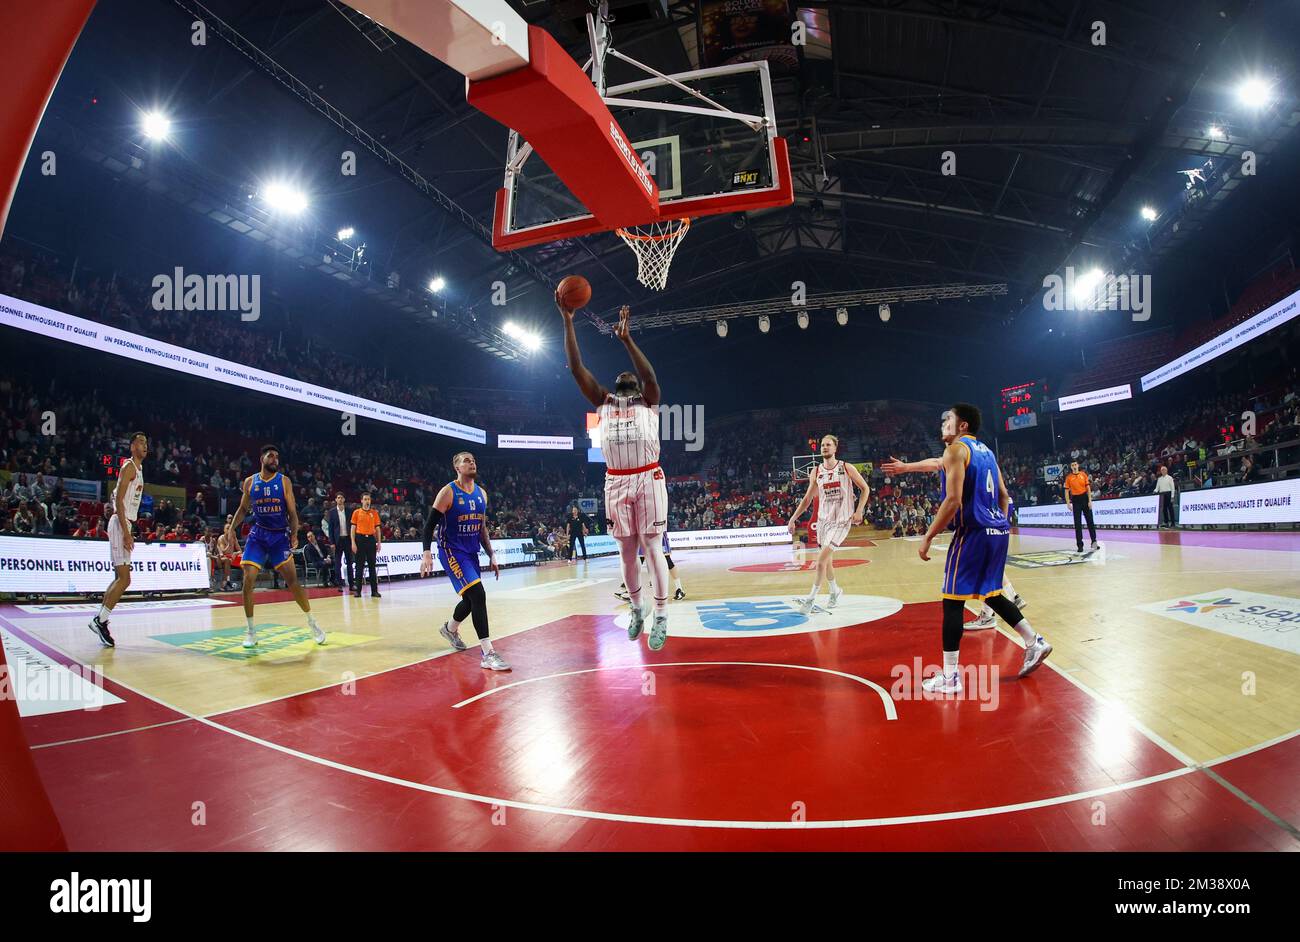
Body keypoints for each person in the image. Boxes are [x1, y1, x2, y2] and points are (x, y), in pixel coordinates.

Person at [558, 296, 672, 651]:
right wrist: (567, 319)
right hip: (616, 480)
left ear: (635, 386)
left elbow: (650, 375)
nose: (625, 376)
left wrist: (627, 340)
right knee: (625, 550)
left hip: (648, 476)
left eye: (630, 377)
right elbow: (576, 368)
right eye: (619, 376)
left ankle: (662, 614)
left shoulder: (648, 401)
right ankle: (637, 608)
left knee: (652, 546)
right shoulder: (603, 402)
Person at [917, 404, 1052, 693]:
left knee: (952, 600)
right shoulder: (988, 452)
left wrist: (928, 536)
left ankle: (951, 677)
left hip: (974, 533)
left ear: (963, 425)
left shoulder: (956, 450)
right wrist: (998, 526)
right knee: (990, 593)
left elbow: (952, 501)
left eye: (948, 420)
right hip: (997, 531)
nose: (942, 424)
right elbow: (1004, 496)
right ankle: (1034, 641)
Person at [880, 453, 1026, 630]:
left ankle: (1008, 606)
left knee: (965, 580)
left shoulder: (962, 454)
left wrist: (907, 467)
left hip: (982, 516)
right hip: (995, 512)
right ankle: (1005, 604)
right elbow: (1004, 495)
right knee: (987, 566)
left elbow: (937, 464)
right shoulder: (986, 455)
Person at [225, 444, 326, 649]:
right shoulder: (250, 482)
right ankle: (251, 630)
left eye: (277, 457)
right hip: (258, 535)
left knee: (292, 582)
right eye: (271, 456)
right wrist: (231, 529)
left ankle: (312, 622)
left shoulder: (284, 482)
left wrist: (294, 534)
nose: (275, 460)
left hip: (279, 536)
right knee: (248, 580)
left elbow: (292, 512)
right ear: (262, 458)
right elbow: (243, 509)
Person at [420, 452, 507, 671]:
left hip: (471, 552)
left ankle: (450, 629)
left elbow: (482, 527)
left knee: (470, 600)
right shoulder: (448, 492)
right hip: (452, 551)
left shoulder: (482, 494)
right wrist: (426, 552)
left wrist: (492, 555)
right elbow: (429, 525)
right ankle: (488, 653)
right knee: (478, 594)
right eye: (466, 460)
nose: (472, 462)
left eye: (473, 459)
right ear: (457, 467)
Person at [786, 434, 870, 614]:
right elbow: (807, 499)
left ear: (835, 448)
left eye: (828, 445)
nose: (825, 447)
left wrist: (859, 510)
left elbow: (865, 488)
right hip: (823, 521)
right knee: (828, 560)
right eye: (823, 445)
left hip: (841, 521)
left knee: (821, 560)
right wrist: (793, 518)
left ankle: (810, 598)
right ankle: (834, 591)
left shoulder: (846, 468)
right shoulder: (816, 472)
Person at [87, 431, 148, 647]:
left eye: (146, 443)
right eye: (140, 442)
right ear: (132, 446)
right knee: (125, 579)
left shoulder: (139, 470)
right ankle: (100, 620)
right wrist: (125, 530)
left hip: (125, 523)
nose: (144, 446)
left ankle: (100, 620)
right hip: (120, 523)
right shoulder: (128, 466)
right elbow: (119, 501)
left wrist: (130, 526)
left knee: (119, 578)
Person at [1063, 460, 1100, 553]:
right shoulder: (1068, 478)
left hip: (1084, 498)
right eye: (1072, 465)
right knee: (1078, 524)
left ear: (1078, 465)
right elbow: (1066, 491)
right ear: (1071, 467)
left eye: (1075, 464)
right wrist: (1068, 503)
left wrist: (1090, 501)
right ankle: (1080, 545)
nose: (1074, 466)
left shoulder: (1083, 474)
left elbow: (1088, 488)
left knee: (1090, 522)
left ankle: (1094, 542)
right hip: (1075, 500)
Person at [350, 492, 382, 597]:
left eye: (368, 499)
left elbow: (377, 529)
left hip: (371, 540)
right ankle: (358, 591)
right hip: (360, 539)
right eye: (365, 499)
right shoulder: (356, 512)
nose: (367, 501)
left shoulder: (374, 513)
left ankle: (374, 591)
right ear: (361, 501)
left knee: (372, 566)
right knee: (359, 566)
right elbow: (353, 528)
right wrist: (353, 542)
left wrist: (379, 542)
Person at [325, 492, 353, 593]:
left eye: (341, 497)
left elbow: (352, 526)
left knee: (350, 563)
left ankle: (351, 584)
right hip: (337, 541)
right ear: (336, 500)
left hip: (347, 539)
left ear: (344, 499)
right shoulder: (332, 512)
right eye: (338, 498)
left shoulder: (349, 511)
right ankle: (339, 584)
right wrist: (332, 542)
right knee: (338, 563)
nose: (340, 499)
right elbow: (330, 529)